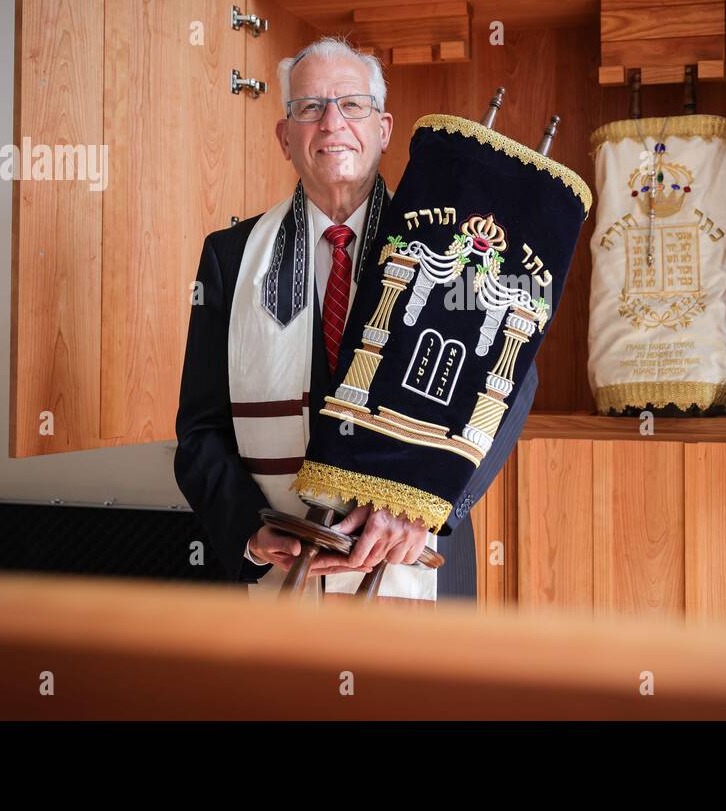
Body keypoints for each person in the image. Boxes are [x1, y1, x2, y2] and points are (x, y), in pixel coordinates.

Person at [173, 36, 536, 603]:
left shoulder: (456, 249)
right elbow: (200, 431)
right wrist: (250, 529)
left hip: (415, 562)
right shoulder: (230, 258)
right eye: (310, 107)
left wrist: (430, 509)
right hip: (281, 576)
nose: (332, 122)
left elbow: (510, 394)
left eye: (353, 105)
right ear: (285, 136)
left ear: (384, 129)